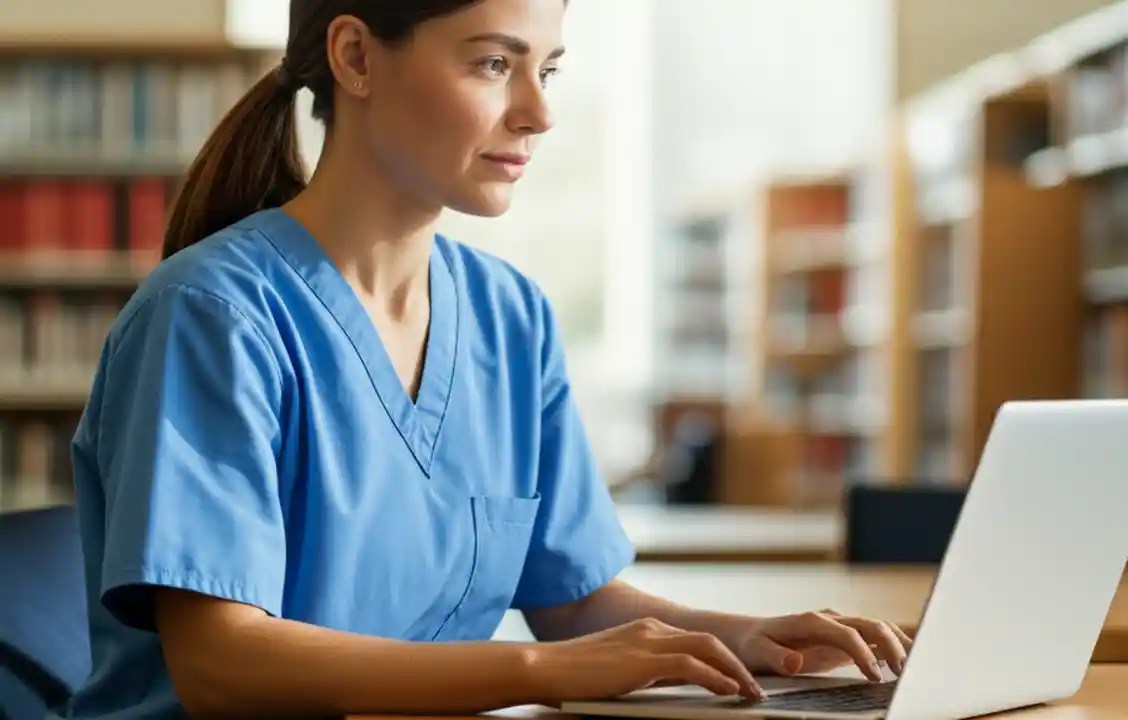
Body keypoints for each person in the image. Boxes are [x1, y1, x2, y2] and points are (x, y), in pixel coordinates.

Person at [61, 1, 912, 717]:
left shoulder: (513, 317)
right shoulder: (212, 316)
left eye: (550, 70)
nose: (539, 113)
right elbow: (223, 666)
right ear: (355, 57)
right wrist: (537, 674)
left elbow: (571, 599)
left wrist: (745, 637)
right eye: (495, 64)